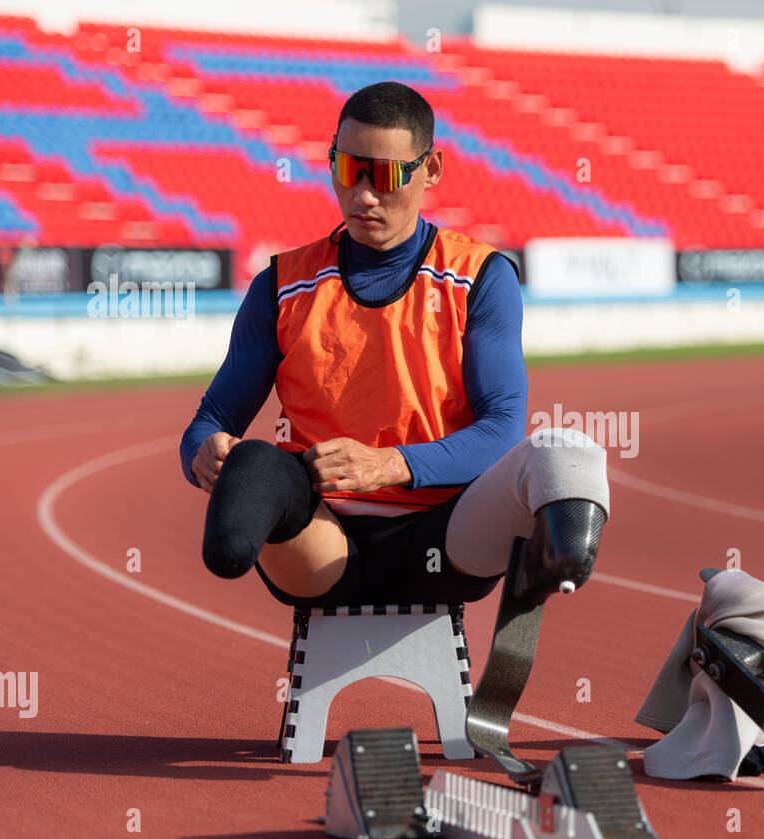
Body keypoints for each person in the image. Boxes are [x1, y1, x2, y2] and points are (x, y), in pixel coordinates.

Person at [178, 81, 609, 610]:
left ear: (431, 169)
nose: (362, 196)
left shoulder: (480, 276)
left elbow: (501, 430)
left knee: (562, 449)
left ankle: (555, 572)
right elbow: (213, 416)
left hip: (446, 542)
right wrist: (201, 454)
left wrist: (389, 465)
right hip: (322, 543)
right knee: (254, 463)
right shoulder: (280, 285)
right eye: (346, 170)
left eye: (385, 176)